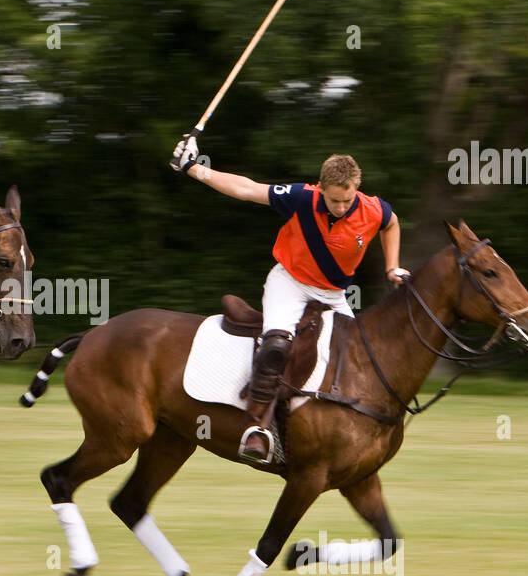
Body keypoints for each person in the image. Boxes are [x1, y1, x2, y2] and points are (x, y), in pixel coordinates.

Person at [170, 135, 407, 463]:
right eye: (334, 200)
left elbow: (391, 224)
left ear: (357, 188)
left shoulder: (373, 209)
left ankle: (349, 426)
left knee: (357, 359)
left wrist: (392, 265)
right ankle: (257, 427)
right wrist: (193, 168)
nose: (340, 208)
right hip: (291, 284)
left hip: (335, 294)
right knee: (276, 345)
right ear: (321, 187)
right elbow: (246, 188)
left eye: (346, 201)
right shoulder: (301, 198)